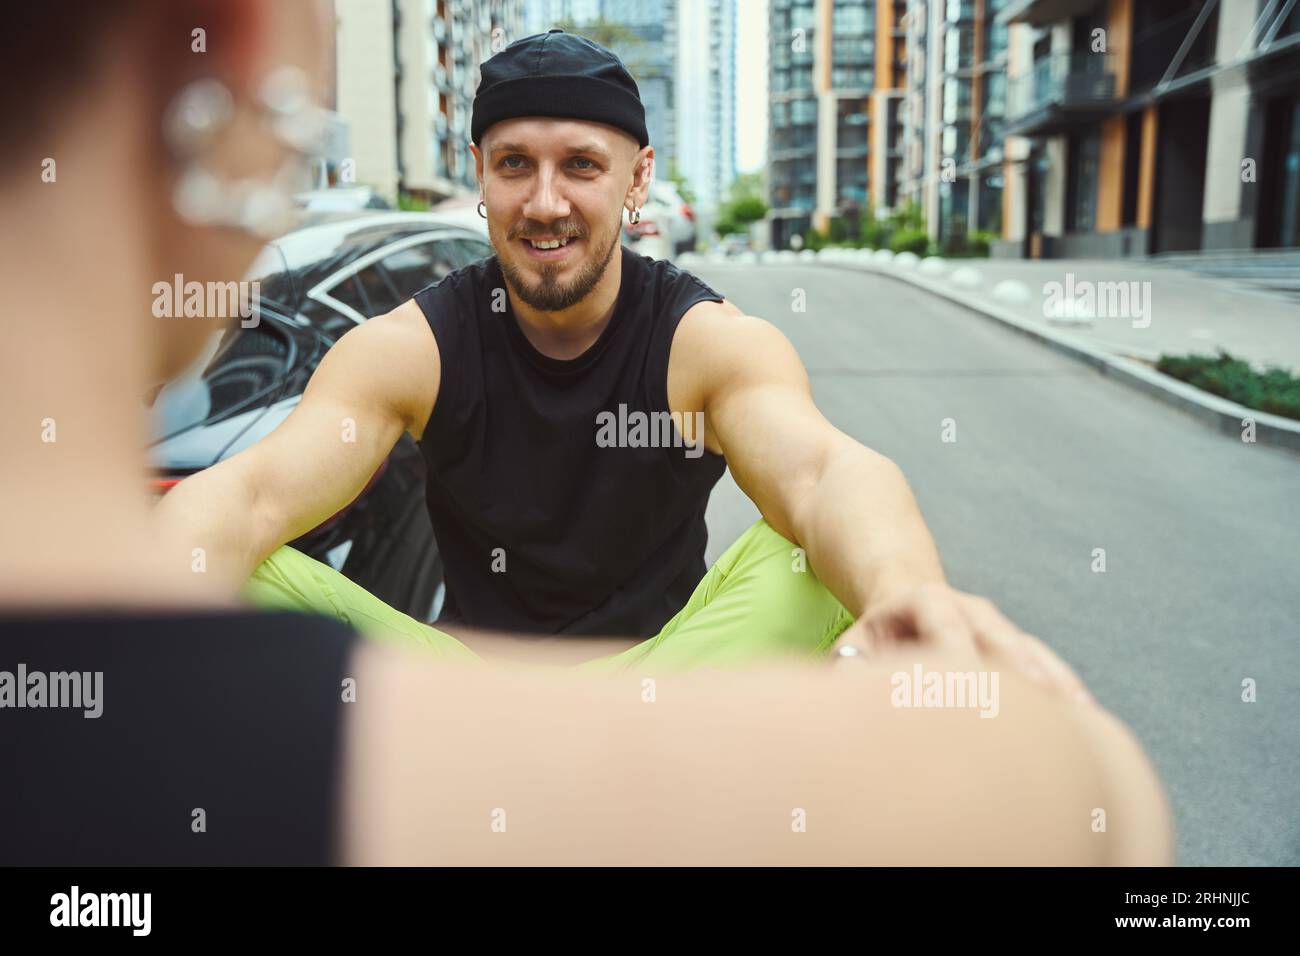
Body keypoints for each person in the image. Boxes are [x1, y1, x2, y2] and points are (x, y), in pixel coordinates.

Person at [0, 0, 1171, 866]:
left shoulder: (702, 339)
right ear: (480, 180)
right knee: (236, 553)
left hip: (677, 681)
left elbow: (822, 467)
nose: (546, 200)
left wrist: (915, 593)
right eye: (515, 164)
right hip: (459, 679)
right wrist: (132, 622)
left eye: (580, 166)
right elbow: (250, 497)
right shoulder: (417, 341)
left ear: (636, 181)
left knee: (807, 553)